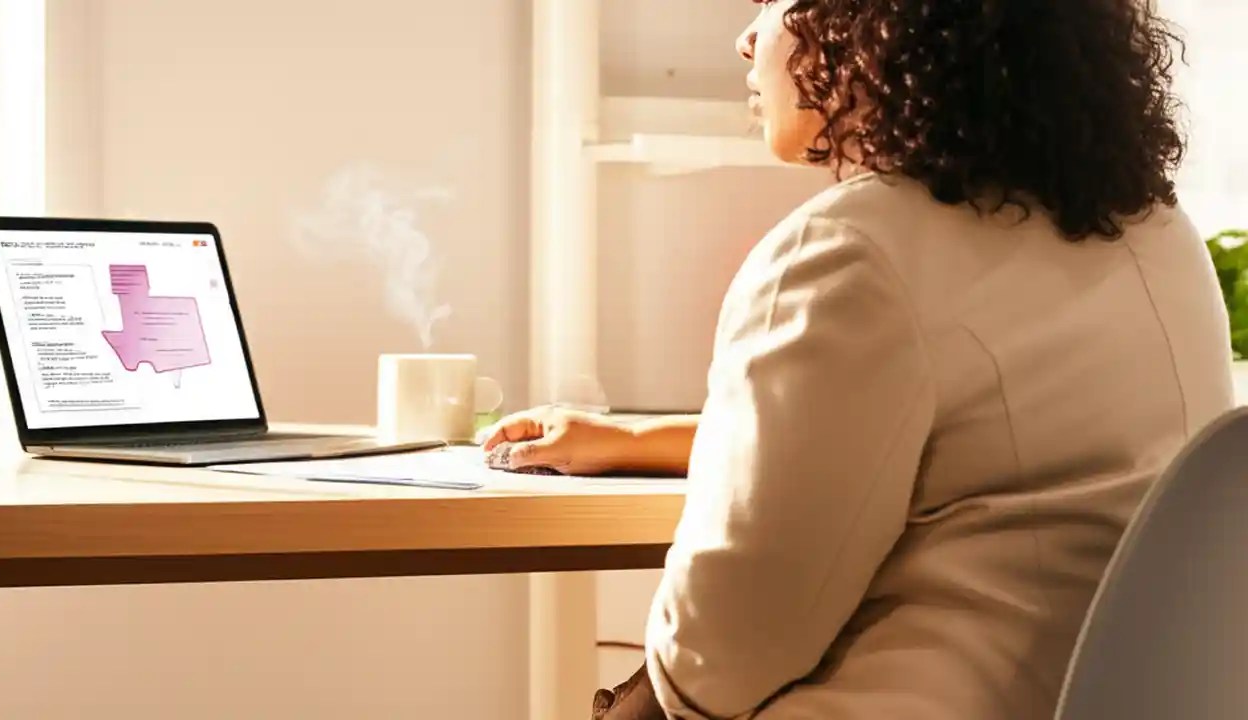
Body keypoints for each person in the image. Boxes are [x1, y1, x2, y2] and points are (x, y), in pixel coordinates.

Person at [481, 0, 1234, 717]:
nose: (748, 38)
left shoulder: (850, 251)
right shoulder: (1159, 235)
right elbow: (1004, 453)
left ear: (873, 22)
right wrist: (645, 443)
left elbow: (720, 661)